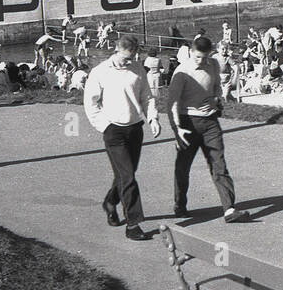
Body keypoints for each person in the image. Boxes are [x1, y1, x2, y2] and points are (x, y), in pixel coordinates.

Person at [84, 34, 160, 241]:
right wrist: (105, 126)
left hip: (135, 129)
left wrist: (152, 118)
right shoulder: (100, 72)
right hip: (113, 132)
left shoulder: (137, 69)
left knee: (126, 173)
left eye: (132, 57)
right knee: (128, 177)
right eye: (126, 57)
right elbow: (90, 102)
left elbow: (147, 97)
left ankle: (110, 202)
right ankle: (133, 224)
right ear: (117, 50)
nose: (129, 61)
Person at [168, 34, 247, 223]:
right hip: (188, 123)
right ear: (191, 52)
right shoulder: (182, 72)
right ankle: (180, 205)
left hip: (210, 122)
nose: (201, 61)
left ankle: (229, 209)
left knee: (218, 163)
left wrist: (217, 100)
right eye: (197, 57)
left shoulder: (212, 64)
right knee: (183, 167)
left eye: (204, 57)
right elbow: (171, 104)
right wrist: (177, 129)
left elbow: (216, 87)